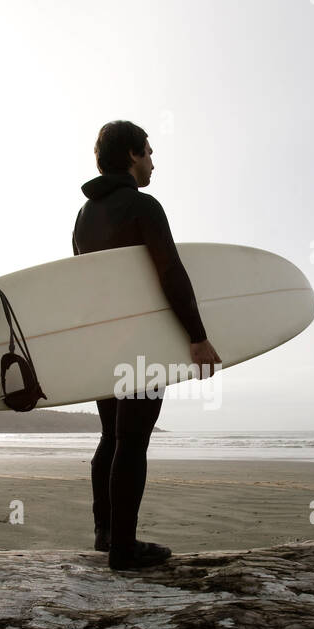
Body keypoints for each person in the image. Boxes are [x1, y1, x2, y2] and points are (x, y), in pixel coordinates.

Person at [72, 121, 221, 570]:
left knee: (110, 437)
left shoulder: (83, 217)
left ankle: (105, 534)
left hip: (104, 342)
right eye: (150, 153)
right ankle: (124, 549)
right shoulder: (143, 206)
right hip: (140, 344)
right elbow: (170, 273)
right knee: (132, 441)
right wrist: (197, 336)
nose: (153, 161)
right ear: (133, 155)